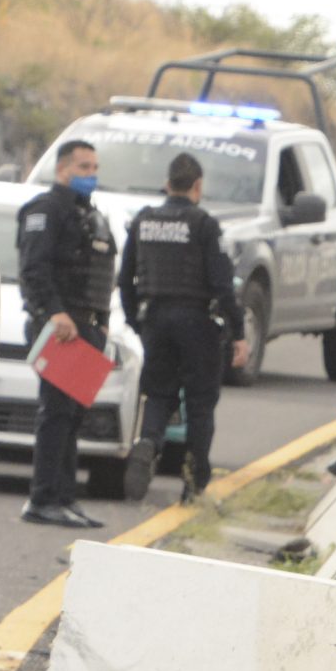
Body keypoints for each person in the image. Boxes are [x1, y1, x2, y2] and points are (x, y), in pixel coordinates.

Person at [120, 152, 249, 503]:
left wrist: (136, 322)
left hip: (155, 320)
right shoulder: (203, 224)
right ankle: (194, 482)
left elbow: (125, 278)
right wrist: (238, 332)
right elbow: (223, 284)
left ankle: (147, 443)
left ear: (167, 184)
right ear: (197, 186)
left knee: (159, 395)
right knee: (200, 402)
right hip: (197, 322)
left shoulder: (143, 221)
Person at [16, 140, 120, 528]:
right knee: (56, 414)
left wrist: (103, 319)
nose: (91, 174)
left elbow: (102, 272)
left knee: (74, 416)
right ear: (63, 170)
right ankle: (42, 499)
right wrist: (54, 313)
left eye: (94, 167)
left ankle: (64, 498)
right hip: (58, 328)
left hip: (86, 326)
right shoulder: (45, 211)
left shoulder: (88, 215)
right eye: (83, 167)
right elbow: (34, 270)